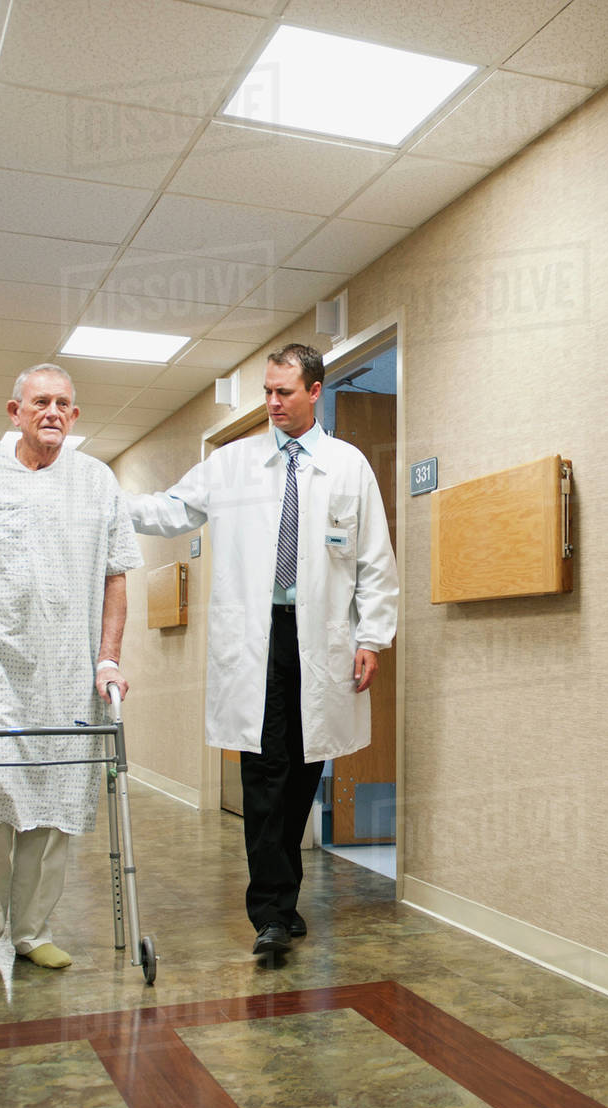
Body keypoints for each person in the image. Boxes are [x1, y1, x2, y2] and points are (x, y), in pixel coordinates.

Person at [129, 343, 398, 956]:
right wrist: (102, 505)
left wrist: (372, 636)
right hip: (257, 636)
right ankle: (270, 912)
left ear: (314, 391)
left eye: (284, 392)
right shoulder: (232, 463)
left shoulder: (348, 464)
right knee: (262, 766)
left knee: (306, 762)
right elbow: (172, 510)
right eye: (267, 393)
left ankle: (285, 895)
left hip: (322, 636)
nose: (273, 404)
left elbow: (373, 560)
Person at [0, 363, 142, 971]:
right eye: (40, 401)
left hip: (67, 672)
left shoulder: (97, 481)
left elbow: (116, 575)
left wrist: (108, 657)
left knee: (55, 800)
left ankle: (32, 932)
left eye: (63, 404)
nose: (52, 413)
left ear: (75, 415)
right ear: (14, 411)